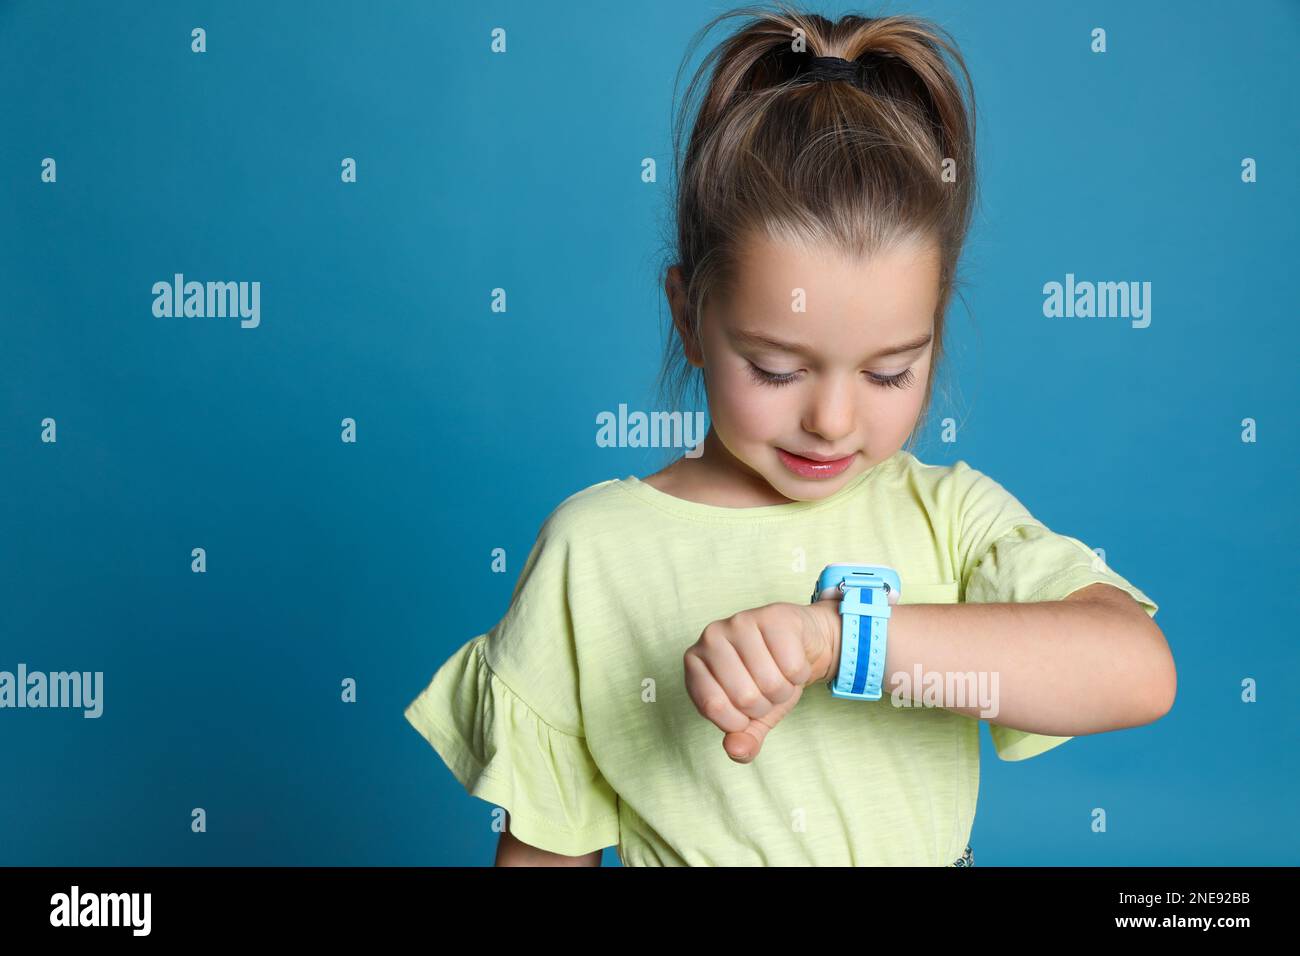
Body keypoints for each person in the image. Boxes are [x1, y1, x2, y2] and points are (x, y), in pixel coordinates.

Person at [403, 3, 1174, 867]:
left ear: (935, 332)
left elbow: (1136, 670)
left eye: (890, 372)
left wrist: (845, 639)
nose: (833, 420)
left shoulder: (948, 519)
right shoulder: (595, 554)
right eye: (776, 368)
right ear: (689, 316)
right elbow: (547, 851)